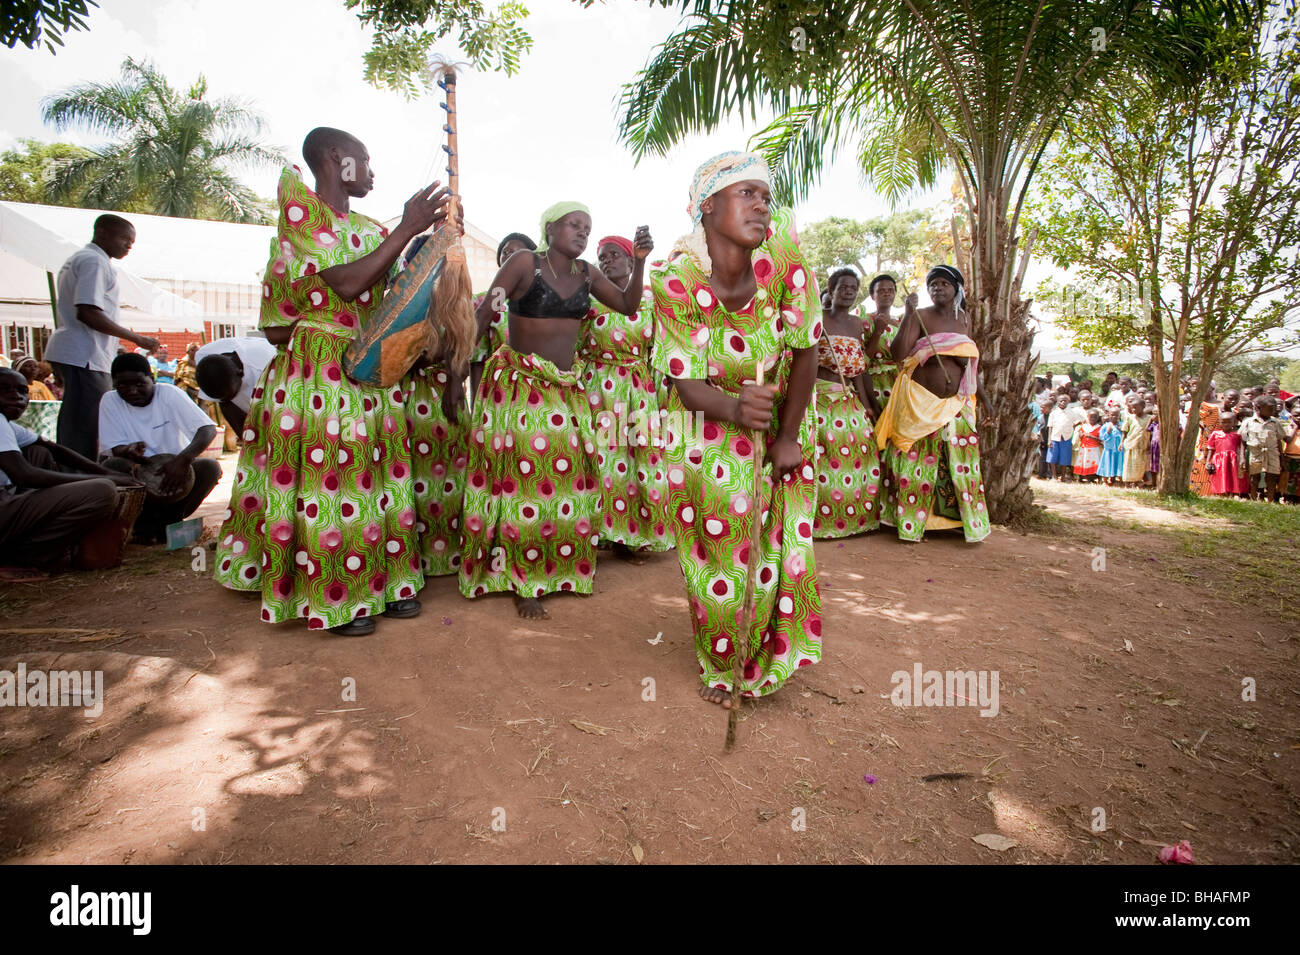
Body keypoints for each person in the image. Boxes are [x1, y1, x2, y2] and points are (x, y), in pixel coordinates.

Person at [215, 128, 454, 636]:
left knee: (377, 480)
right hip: (320, 366)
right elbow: (345, 284)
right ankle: (338, 596)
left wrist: (434, 245)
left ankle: (388, 585)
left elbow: (390, 295)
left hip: (367, 364)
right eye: (365, 160)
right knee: (334, 481)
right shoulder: (301, 215)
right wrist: (408, 227)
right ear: (336, 159)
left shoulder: (370, 229)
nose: (371, 172)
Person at [651, 150, 821, 706]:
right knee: (720, 549)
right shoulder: (676, 279)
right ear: (707, 205)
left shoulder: (786, 259)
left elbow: (804, 352)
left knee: (775, 543)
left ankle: (763, 656)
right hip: (705, 424)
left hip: (783, 415)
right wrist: (732, 408)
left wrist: (787, 436)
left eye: (765, 196)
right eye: (746, 193)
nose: (761, 205)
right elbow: (684, 382)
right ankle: (723, 662)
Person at [457, 203, 653, 619]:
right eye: (574, 225)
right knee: (523, 482)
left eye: (587, 227)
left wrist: (638, 263)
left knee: (568, 481)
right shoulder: (523, 263)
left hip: (566, 387)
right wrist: (456, 376)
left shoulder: (586, 273)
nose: (582, 233)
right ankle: (522, 577)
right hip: (520, 384)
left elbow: (627, 306)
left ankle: (560, 565)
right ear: (549, 229)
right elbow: (481, 316)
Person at [875, 264, 991, 542]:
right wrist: (908, 315)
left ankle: (954, 523)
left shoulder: (964, 318)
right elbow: (898, 354)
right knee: (917, 461)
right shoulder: (920, 315)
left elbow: (969, 362)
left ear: (957, 289)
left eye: (944, 284)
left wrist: (985, 398)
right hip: (920, 401)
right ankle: (911, 522)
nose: (938, 288)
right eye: (933, 284)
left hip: (957, 402)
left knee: (959, 460)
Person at [579, 234, 674, 558]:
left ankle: (632, 534)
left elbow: (663, 347)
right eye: (602, 256)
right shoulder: (588, 300)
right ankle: (600, 533)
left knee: (637, 461)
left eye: (614, 255)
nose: (606, 260)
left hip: (638, 389)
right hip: (597, 389)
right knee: (602, 461)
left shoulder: (651, 299)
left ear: (632, 261)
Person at [0, 368, 139, 578]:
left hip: (7, 499)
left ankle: (30, 540)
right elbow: (23, 475)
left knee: (39, 451)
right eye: (4, 389)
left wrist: (106, 471)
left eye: (22, 390)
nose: (16, 396)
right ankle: (22, 557)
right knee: (101, 491)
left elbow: (55, 449)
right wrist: (103, 478)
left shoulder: (7, 423)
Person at [45, 214, 161, 460]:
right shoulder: (93, 262)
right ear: (102, 234)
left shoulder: (85, 259)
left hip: (82, 353)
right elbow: (88, 312)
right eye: (124, 239)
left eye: (132, 242)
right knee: (85, 426)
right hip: (84, 354)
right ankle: (80, 482)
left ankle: (81, 477)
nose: (129, 246)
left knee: (83, 421)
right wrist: (136, 338)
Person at [98, 352, 221, 543]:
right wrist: (128, 450)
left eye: (139, 384)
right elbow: (114, 448)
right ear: (114, 385)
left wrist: (182, 460)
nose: (132, 391)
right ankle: (143, 524)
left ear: (152, 379)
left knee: (209, 467)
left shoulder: (169, 394)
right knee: (114, 465)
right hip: (139, 474)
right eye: (123, 386)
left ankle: (168, 522)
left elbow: (207, 430)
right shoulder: (110, 400)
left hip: (175, 473)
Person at [813, 267, 882, 538]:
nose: (849, 291)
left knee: (860, 452)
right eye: (843, 287)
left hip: (848, 397)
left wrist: (868, 405)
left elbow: (860, 369)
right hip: (818, 398)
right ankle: (820, 524)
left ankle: (853, 521)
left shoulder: (857, 325)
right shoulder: (816, 319)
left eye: (853, 288)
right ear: (831, 290)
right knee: (824, 458)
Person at [469, 232, 536, 400]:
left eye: (518, 254)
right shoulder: (482, 302)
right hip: (499, 389)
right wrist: (477, 404)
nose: (510, 257)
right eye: (505, 252)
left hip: (538, 385)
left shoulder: (545, 299)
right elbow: (477, 359)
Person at [193, 336, 278, 436]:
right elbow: (226, 405)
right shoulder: (204, 356)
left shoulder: (267, 370)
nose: (232, 400)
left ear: (241, 373)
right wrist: (246, 441)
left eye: (232, 395)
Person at [1241, 395, 1284, 502]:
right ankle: (1254, 499)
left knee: (1271, 477)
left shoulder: (1275, 422)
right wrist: (1242, 458)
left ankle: (1270, 500)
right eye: (1270, 409)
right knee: (1254, 477)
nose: (1273, 411)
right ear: (1258, 408)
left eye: (1274, 409)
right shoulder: (1248, 422)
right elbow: (1243, 441)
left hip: (1272, 454)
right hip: (1255, 453)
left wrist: (1281, 457)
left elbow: (1279, 440)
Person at [1206, 411, 1247, 497]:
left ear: (1234, 422)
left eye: (1229, 422)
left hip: (1232, 459)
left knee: (1232, 475)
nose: (1226, 424)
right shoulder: (1215, 434)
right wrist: (1208, 462)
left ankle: (1234, 493)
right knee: (1221, 475)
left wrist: (1242, 458)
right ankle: (1221, 493)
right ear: (1219, 422)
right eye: (1223, 422)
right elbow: (1211, 449)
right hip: (1219, 460)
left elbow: (1241, 446)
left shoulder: (1237, 434)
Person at [1120, 394, 1153, 487]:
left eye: (1135, 408)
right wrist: (1121, 442)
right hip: (1131, 444)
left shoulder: (1149, 418)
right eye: (1132, 408)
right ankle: (1127, 483)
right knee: (1129, 464)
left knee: (1139, 465)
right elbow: (1125, 430)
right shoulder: (1130, 418)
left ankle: (1136, 481)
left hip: (1142, 445)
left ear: (1143, 407)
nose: (1133, 410)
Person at [1046, 394, 1077, 481]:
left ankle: (1063, 477)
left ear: (1068, 402)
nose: (1063, 402)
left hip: (1066, 437)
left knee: (1065, 457)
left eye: (1065, 401)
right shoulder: (1053, 413)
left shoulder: (1071, 413)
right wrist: (1049, 440)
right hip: (1055, 437)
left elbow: (1076, 422)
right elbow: (1050, 426)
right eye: (1061, 401)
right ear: (1057, 402)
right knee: (1052, 457)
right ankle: (1054, 476)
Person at [1074, 409, 1103, 482]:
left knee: (1094, 463)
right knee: (1083, 462)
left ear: (1098, 418)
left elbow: (1101, 440)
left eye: (1095, 417)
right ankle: (1082, 477)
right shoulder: (1083, 427)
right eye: (1091, 417)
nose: (1093, 419)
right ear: (1087, 417)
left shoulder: (1099, 427)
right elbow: (1080, 437)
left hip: (1094, 449)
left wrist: (1091, 436)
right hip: (1084, 449)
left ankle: (1093, 478)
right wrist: (1080, 435)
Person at [1098, 408, 1124, 486]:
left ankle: (1117, 480)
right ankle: (1105, 480)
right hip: (1108, 449)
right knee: (1107, 464)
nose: (1114, 417)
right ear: (1108, 415)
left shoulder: (1122, 425)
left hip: (1119, 450)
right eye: (1112, 415)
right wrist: (1107, 432)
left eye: (1116, 415)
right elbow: (1102, 438)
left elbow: (1125, 435)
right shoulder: (1105, 426)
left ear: (1119, 416)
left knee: (1119, 464)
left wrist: (1121, 430)